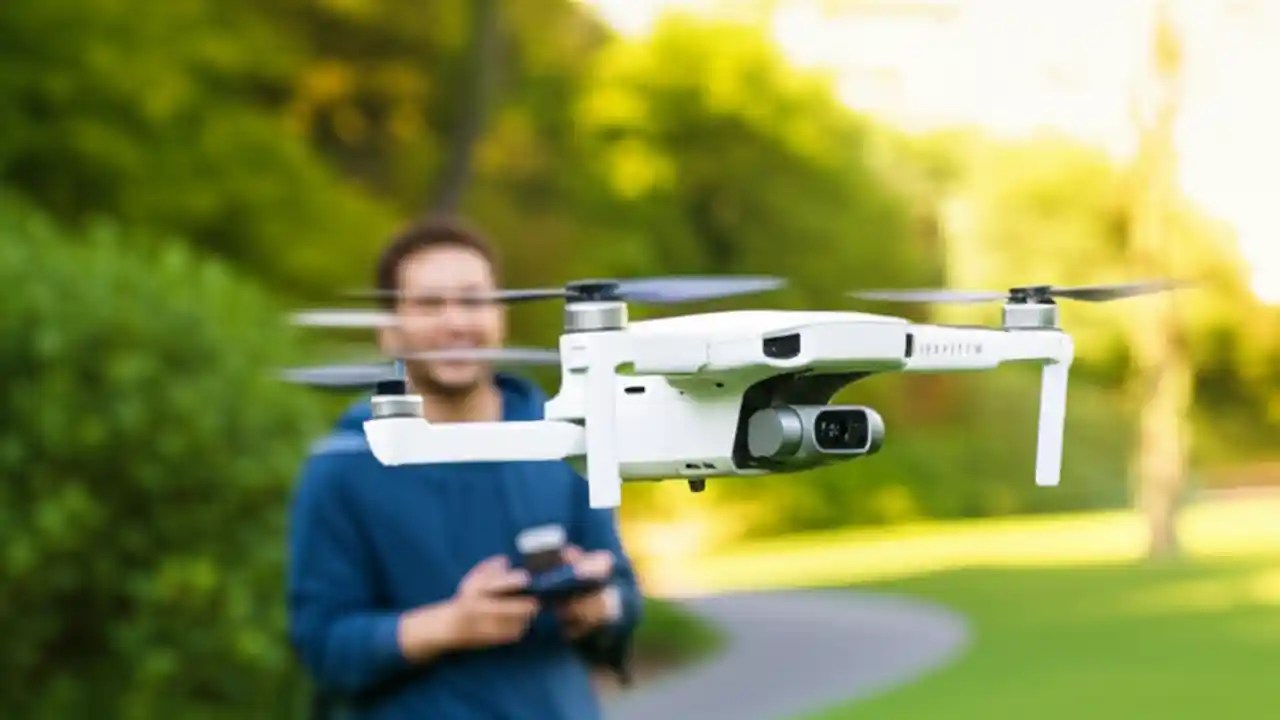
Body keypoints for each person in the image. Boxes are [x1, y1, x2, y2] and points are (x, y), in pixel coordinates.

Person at [287, 218, 644, 719]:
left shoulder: (563, 442)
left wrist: (597, 604)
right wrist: (451, 624)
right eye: (430, 304)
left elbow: (624, 594)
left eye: (474, 301)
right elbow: (322, 644)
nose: (455, 322)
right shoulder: (342, 466)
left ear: (500, 317)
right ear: (389, 330)